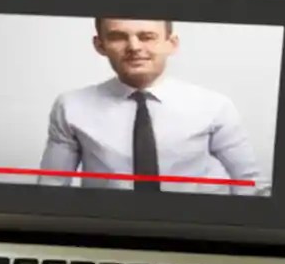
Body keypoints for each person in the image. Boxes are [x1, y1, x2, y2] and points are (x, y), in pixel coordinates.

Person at [38, 18, 268, 195]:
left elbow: (248, 182)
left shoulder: (215, 106)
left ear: (172, 43)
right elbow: (52, 186)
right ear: (100, 45)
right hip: (108, 229)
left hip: (199, 230)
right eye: (118, 37)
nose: (134, 47)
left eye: (147, 36)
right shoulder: (71, 106)